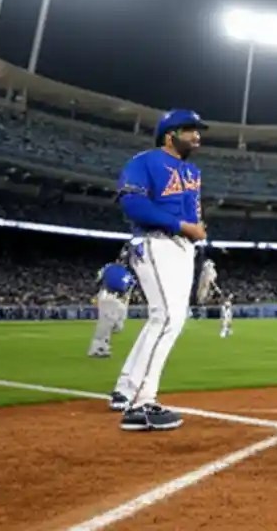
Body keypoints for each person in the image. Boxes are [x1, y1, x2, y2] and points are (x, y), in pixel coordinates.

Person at [107, 108, 209, 432]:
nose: (197, 136)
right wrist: (181, 225)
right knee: (167, 317)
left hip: (183, 249)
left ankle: (126, 390)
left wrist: (201, 250)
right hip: (155, 242)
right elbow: (131, 202)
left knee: (163, 318)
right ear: (170, 134)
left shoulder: (193, 172)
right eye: (190, 130)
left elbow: (194, 216)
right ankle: (141, 405)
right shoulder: (146, 161)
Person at [89, 260, 137, 358]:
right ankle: (97, 348)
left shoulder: (129, 273)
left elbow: (129, 289)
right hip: (108, 296)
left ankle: (103, 345)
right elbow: (98, 278)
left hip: (121, 299)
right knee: (106, 323)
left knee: (118, 326)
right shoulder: (109, 267)